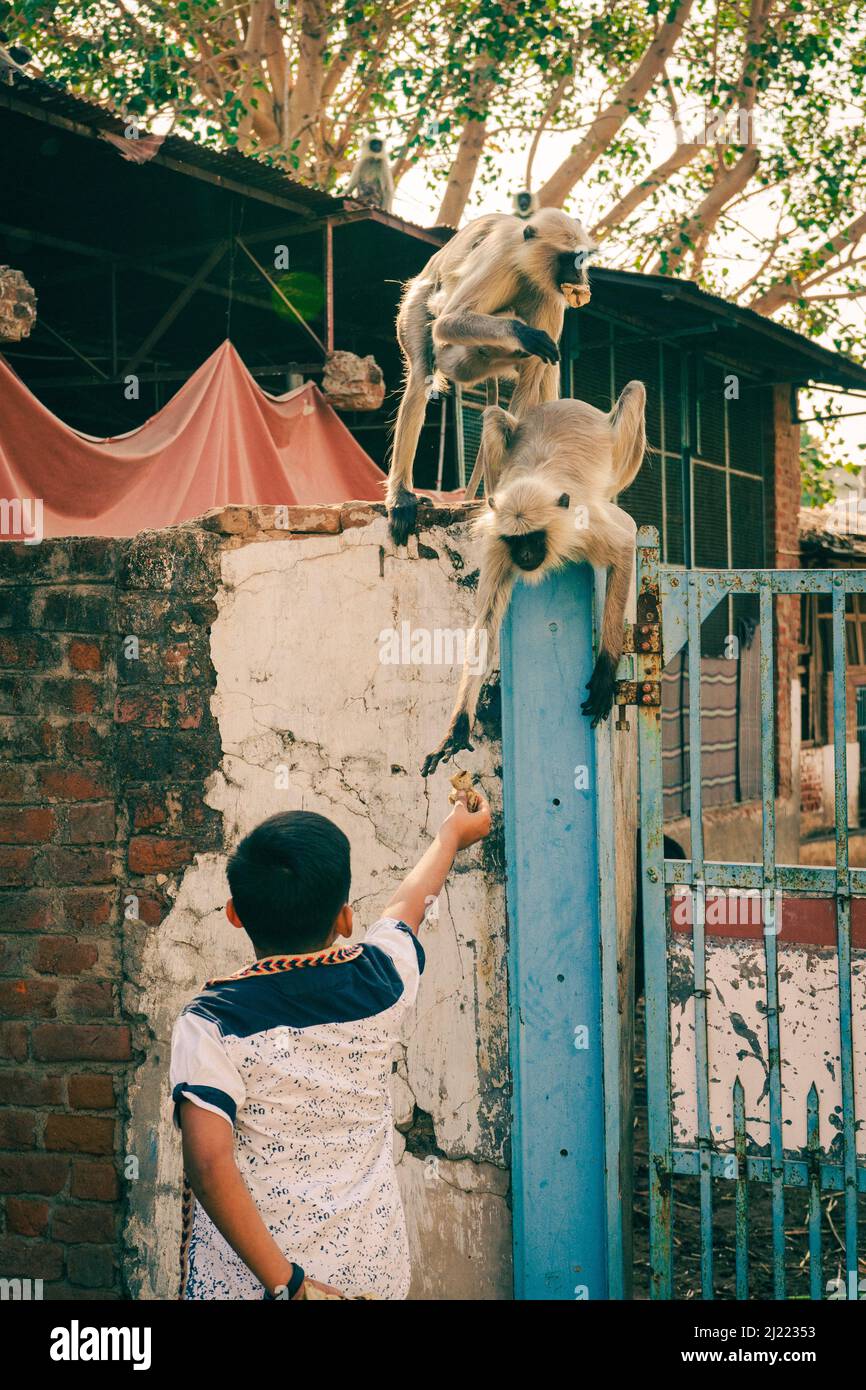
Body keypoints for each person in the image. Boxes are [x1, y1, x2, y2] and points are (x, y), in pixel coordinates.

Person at [170, 794, 492, 1300]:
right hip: (369, 1272)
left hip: (253, 1283)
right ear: (344, 919)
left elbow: (208, 1164)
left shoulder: (210, 1021)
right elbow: (407, 909)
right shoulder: (382, 981)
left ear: (234, 913)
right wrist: (451, 835)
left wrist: (289, 1285)